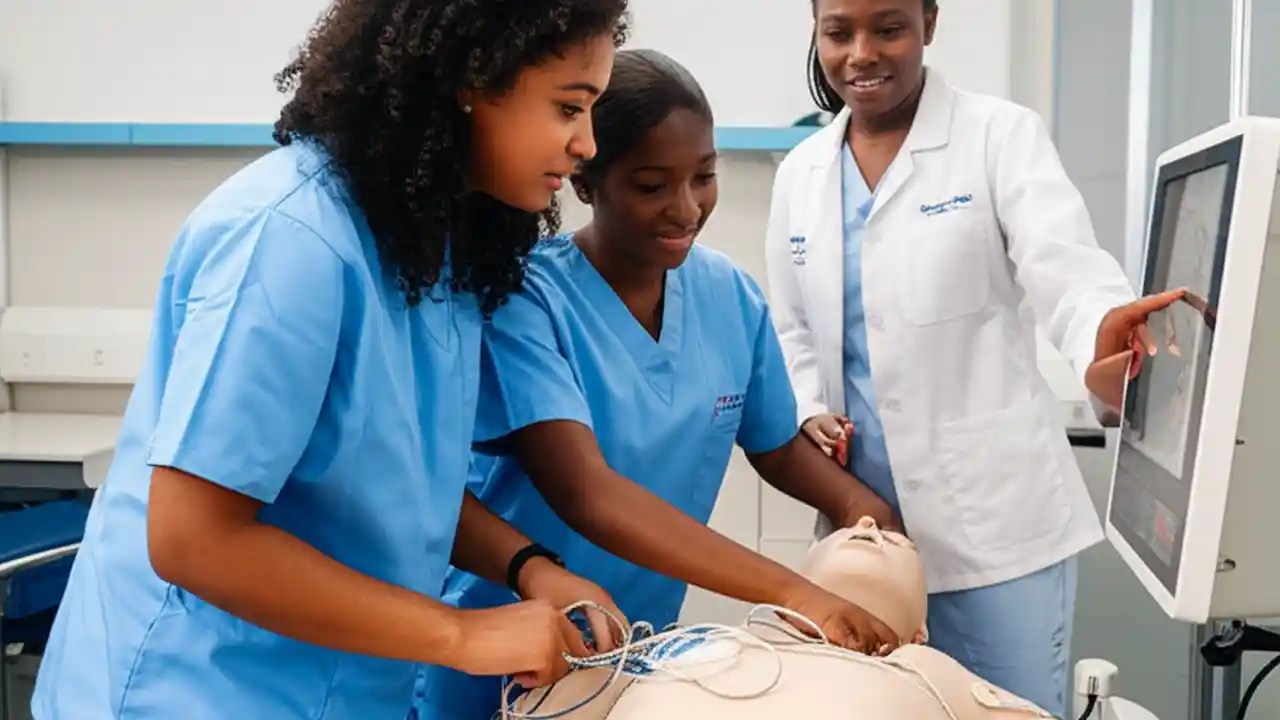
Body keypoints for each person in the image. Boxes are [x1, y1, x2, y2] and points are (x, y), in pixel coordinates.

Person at [29, 2, 632, 718]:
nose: (588, 144)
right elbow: (194, 539)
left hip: (334, 688)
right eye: (569, 107)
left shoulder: (431, 246)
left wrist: (527, 567)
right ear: (470, 80)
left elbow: (395, 489)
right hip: (194, 691)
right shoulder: (290, 238)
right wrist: (462, 634)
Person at [412, 48, 906, 719]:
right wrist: (797, 593)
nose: (686, 208)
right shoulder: (526, 301)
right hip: (504, 641)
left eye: (704, 176)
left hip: (635, 647)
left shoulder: (727, 295)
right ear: (584, 180)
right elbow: (586, 493)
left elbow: (776, 446)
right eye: (651, 185)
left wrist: (865, 516)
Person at [764, 0, 1185, 716]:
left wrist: (1103, 336)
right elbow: (791, 329)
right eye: (838, 33)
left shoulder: (998, 136)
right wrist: (808, 411)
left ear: (930, 22)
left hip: (994, 529)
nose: (861, 53)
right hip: (865, 534)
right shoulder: (801, 171)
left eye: (888, 28)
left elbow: (1069, 273)